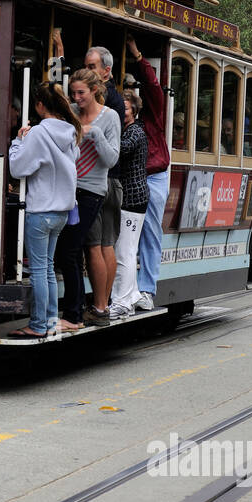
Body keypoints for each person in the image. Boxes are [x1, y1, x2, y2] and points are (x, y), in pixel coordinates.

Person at [7, 82, 80, 338]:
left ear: (40, 105)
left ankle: (38, 325)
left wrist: (18, 142)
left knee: (39, 270)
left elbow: (18, 168)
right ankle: (49, 321)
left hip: (40, 210)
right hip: (61, 212)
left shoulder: (38, 133)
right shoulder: (70, 131)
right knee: (48, 268)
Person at [54, 68, 121, 330]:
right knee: (69, 251)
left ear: (94, 90)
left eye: (81, 93)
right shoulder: (71, 111)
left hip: (91, 192)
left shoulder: (110, 117)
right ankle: (77, 310)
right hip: (67, 189)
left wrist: (95, 134)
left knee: (71, 250)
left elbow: (112, 159)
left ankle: (76, 314)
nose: (77, 98)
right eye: (73, 93)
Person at [125, 34, 170, 310]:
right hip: (130, 179)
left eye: (133, 87)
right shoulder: (122, 120)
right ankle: (127, 289)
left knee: (150, 232)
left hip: (154, 177)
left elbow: (154, 87)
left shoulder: (152, 117)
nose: (130, 92)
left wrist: (137, 55)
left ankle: (146, 290)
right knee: (126, 235)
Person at [82, 45, 125, 320]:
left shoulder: (104, 101)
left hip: (99, 181)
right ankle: (103, 305)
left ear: (106, 71)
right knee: (107, 245)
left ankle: (99, 306)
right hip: (113, 181)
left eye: (92, 67)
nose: (87, 71)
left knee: (95, 246)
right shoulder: (118, 99)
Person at [109, 90, 150, 318]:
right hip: (134, 198)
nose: (121, 112)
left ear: (134, 110)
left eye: (125, 108)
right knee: (128, 250)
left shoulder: (135, 132)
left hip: (132, 199)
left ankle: (122, 301)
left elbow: (121, 149)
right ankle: (132, 295)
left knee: (124, 252)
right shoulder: (131, 130)